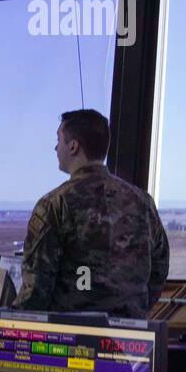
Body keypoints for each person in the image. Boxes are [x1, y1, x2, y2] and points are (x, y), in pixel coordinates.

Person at [13, 109, 169, 319]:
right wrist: (131, 309)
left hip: (70, 337)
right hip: (131, 337)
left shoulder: (55, 205)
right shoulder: (143, 202)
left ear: (73, 146)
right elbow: (158, 269)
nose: (55, 148)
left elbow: (36, 290)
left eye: (58, 140)